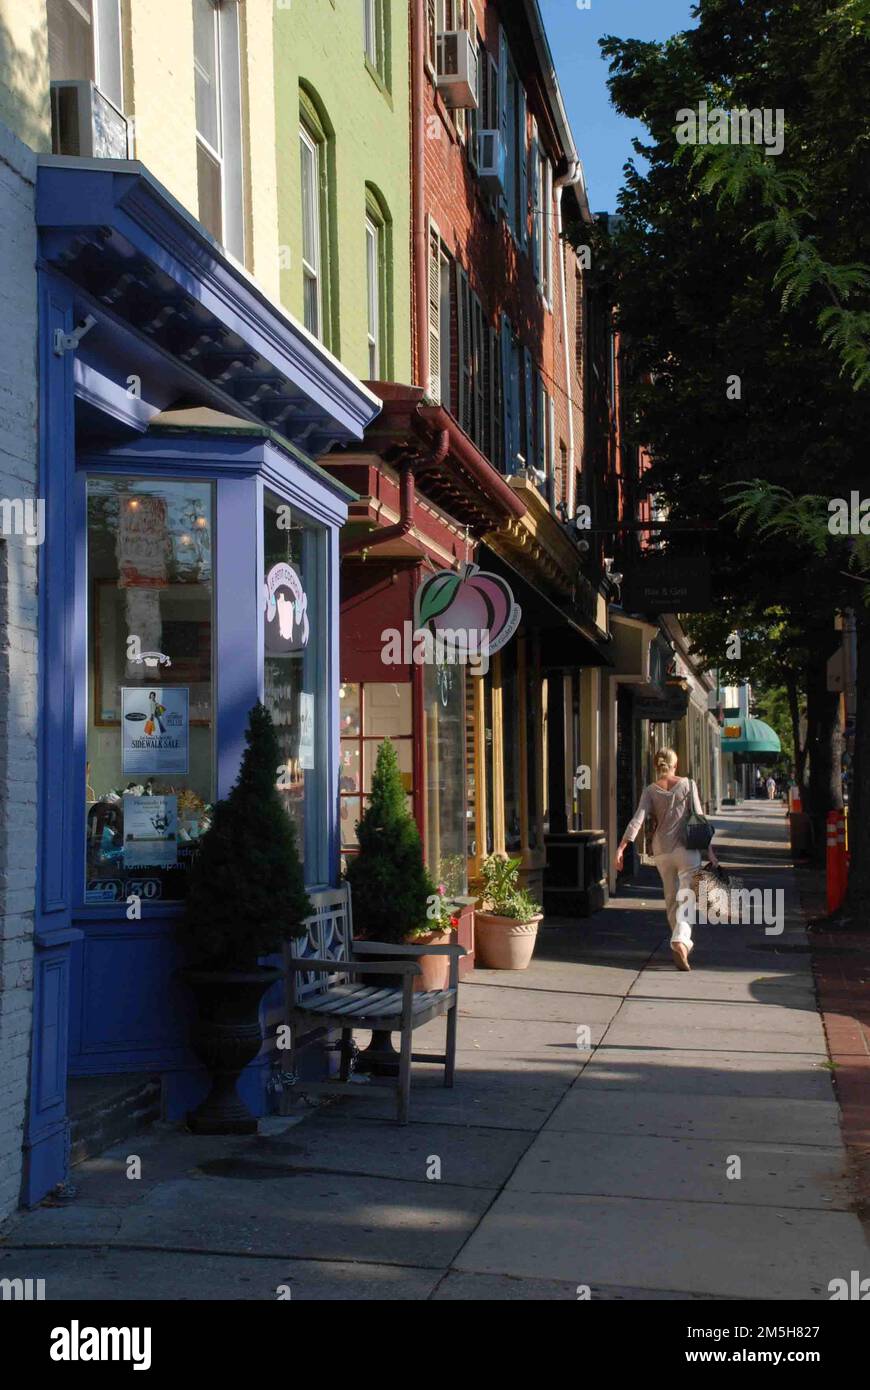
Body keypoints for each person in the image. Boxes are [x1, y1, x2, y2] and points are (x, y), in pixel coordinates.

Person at [614, 748, 717, 972]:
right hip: (686, 849)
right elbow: (699, 819)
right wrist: (710, 851)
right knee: (687, 898)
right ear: (674, 765)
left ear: (656, 765)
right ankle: (681, 940)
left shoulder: (650, 790)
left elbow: (637, 819)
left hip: (661, 850)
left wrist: (622, 847)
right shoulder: (689, 785)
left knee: (671, 899)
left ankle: (678, 941)